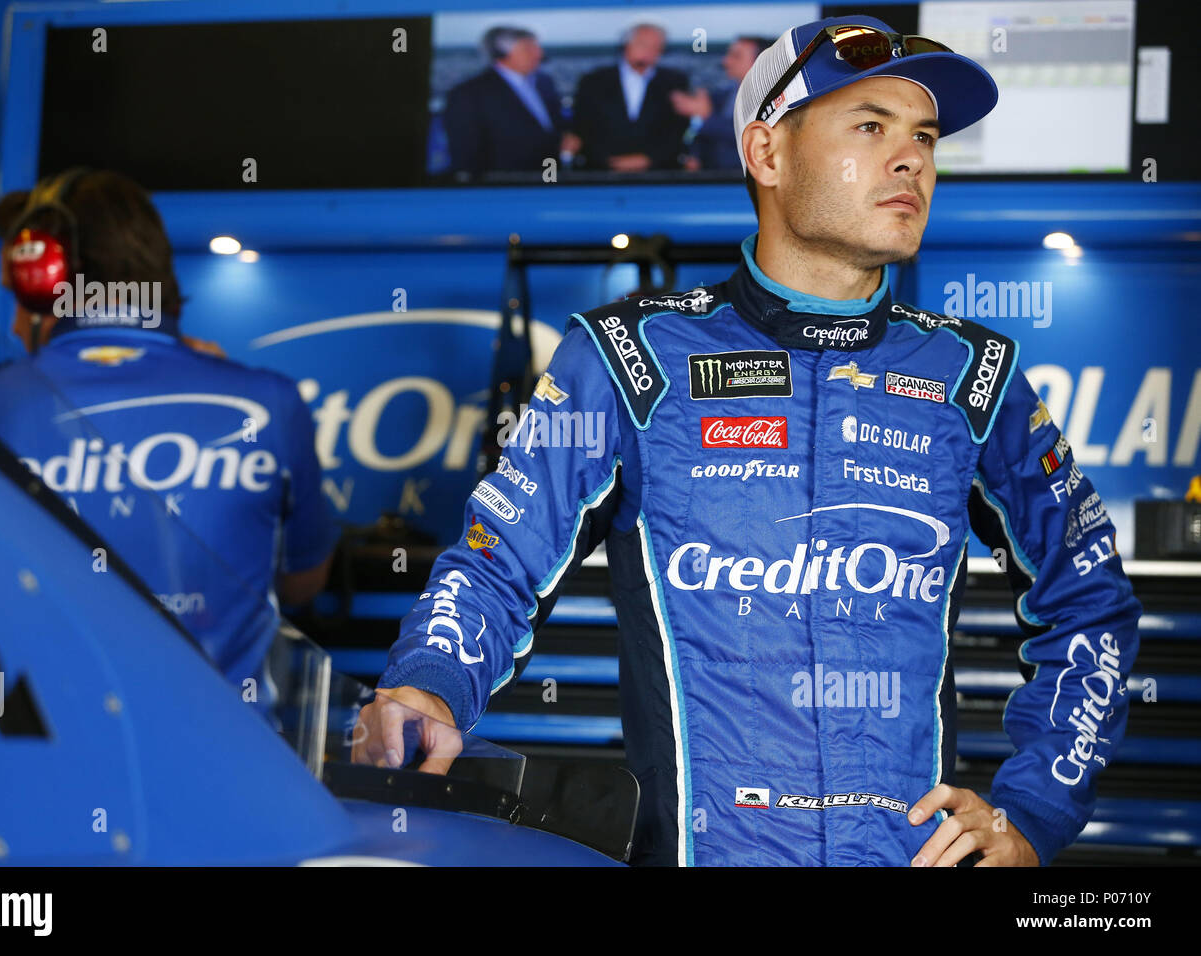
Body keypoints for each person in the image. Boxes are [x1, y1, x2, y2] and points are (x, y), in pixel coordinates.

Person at [362, 15, 1141, 866]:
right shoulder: (630, 359)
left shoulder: (973, 374)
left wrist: (1032, 813)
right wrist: (428, 686)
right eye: (871, 127)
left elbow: (1090, 599)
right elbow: (495, 565)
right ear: (766, 154)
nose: (912, 159)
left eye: (923, 136)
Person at [0, 168, 339, 708]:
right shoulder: (268, 403)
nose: (19, 324)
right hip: (235, 771)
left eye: (19, 296)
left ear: (46, 280)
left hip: (48, 756)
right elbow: (304, 583)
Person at [443, 27, 578, 180]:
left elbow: (553, 125)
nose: (539, 54)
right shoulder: (469, 94)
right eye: (528, 48)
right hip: (504, 188)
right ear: (502, 53)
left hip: (548, 179)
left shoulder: (544, 82)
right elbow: (466, 156)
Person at [571, 23, 690, 172]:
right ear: (626, 44)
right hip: (601, 173)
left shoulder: (675, 82)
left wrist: (650, 158)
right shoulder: (593, 81)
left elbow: (679, 130)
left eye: (656, 47)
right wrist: (610, 161)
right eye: (643, 44)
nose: (649, 51)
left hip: (658, 174)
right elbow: (582, 127)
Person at [671, 35, 772, 171]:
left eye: (736, 56)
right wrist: (695, 156)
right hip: (714, 180)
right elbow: (702, 133)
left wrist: (707, 116)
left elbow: (756, 138)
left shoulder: (776, 99)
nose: (726, 61)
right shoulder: (721, 96)